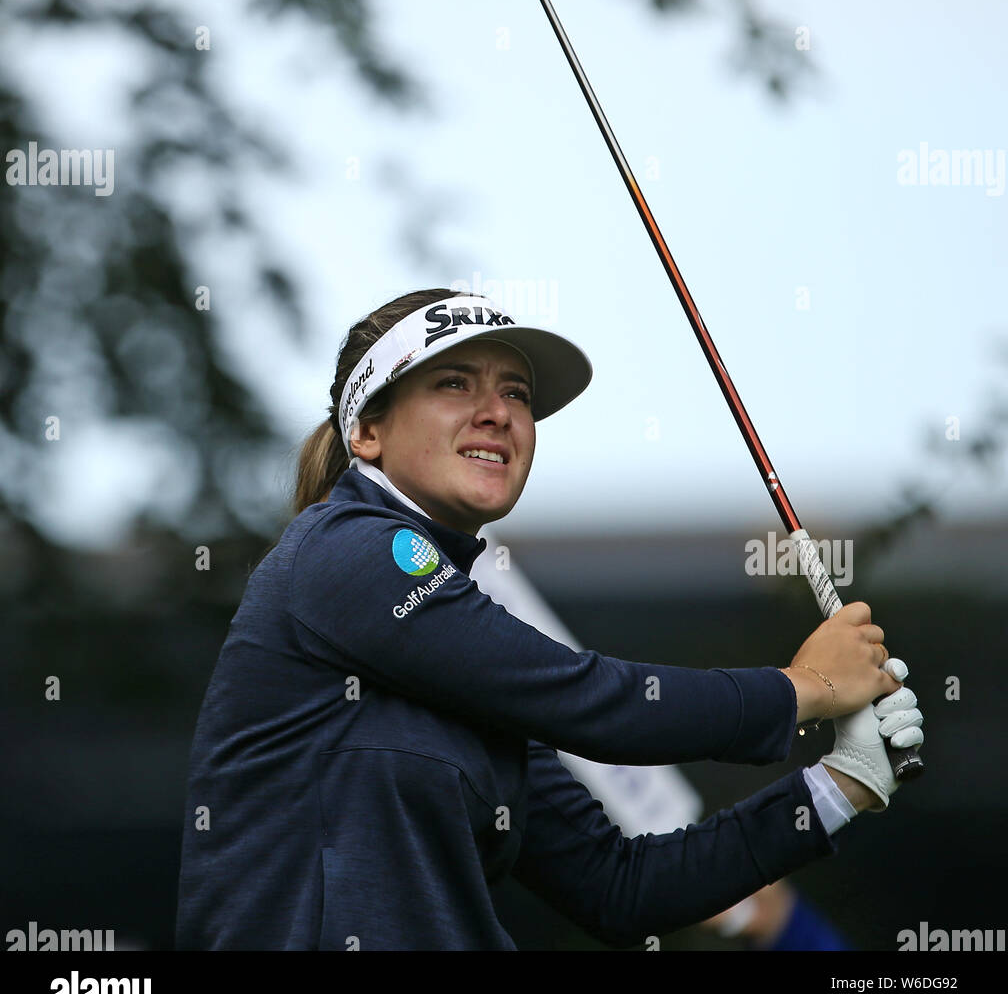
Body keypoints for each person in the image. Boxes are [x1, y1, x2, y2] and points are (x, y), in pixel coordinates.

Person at [174, 287, 925, 951]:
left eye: (518, 394)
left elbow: (622, 888)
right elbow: (595, 702)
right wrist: (804, 689)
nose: (498, 412)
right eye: (454, 382)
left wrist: (841, 784)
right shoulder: (345, 548)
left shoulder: (466, 667)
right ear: (367, 432)